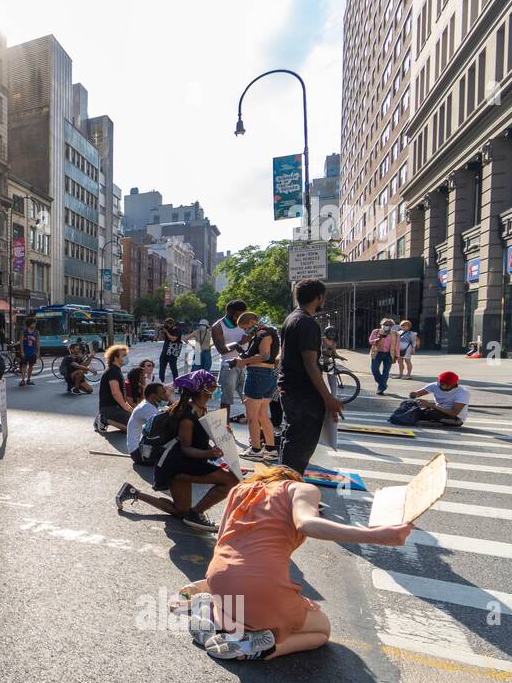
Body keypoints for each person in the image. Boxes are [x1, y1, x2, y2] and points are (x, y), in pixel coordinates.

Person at [171, 466, 412, 660]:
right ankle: (264, 647)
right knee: (322, 630)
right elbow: (306, 523)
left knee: (236, 602)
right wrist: (375, 535)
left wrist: (207, 584)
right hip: (261, 587)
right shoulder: (302, 489)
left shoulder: (239, 491)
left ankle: (214, 618)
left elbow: (223, 541)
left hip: (219, 576)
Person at [114, 370, 238, 532]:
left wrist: (223, 433)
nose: (217, 388)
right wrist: (211, 454)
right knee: (231, 480)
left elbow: (200, 441)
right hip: (177, 464)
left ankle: (133, 493)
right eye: (213, 385)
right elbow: (186, 449)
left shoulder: (201, 409)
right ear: (203, 389)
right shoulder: (188, 415)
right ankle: (196, 514)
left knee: (181, 511)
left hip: (185, 462)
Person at [278, 279, 343, 474]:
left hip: (292, 389)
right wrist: (328, 398)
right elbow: (310, 364)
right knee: (300, 446)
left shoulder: (292, 319)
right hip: (303, 393)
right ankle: (287, 491)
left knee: (292, 441)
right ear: (319, 297)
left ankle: (285, 487)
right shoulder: (307, 323)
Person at [234, 311, 279, 462]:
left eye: (245, 327)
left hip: (258, 374)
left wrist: (242, 362)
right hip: (267, 376)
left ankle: (255, 449)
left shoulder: (264, 333)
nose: (245, 330)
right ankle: (271, 449)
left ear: (253, 322)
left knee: (252, 416)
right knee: (262, 415)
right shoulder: (265, 332)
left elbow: (264, 356)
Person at [211, 300, 249, 425]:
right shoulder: (218, 326)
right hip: (228, 368)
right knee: (226, 401)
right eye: (237, 315)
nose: (239, 318)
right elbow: (222, 350)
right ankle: (224, 430)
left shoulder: (246, 323)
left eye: (242, 315)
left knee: (250, 399)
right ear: (228, 311)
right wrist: (239, 343)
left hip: (246, 365)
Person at [126, 381, 171, 464]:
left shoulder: (149, 404)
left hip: (140, 448)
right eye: (163, 393)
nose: (166, 395)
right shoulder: (147, 408)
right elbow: (165, 426)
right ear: (154, 396)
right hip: (139, 453)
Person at [95, 344, 133, 432]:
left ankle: (106, 418)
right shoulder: (113, 371)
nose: (126, 358)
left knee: (136, 422)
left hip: (116, 407)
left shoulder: (116, 370)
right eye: (123, 356)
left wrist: (127, 406)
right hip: (110, 408)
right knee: (133, 429)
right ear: (115, 358)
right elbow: (115, 392)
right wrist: (125, 407)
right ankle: (103, 419)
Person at [368, 317, 401, 394]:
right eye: (385, 324)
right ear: (381, 325)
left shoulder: (395, 334)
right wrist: (378, 339)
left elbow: (397, 345)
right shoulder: (376, 332)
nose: (386, 326)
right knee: (374, 370)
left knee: (386, 371)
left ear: (391, 326)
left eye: (389, 325)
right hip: (377, 353)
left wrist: (397, 355)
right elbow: (370, 341)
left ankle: (381, 389)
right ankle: (383, 384)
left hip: (389, 354)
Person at [19, 320, 40, 386]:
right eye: (33, 323)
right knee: (24, 365)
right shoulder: (24, 332)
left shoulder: (36, 332)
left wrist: (38, 352)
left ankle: (28, 379)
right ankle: (23, 380)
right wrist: (22, 351)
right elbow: (21, 342)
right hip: (25, 352)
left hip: (33, 352)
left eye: (35, 323)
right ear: (29, 324)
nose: (35, 325)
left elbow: (38, 342)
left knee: (31, 366)